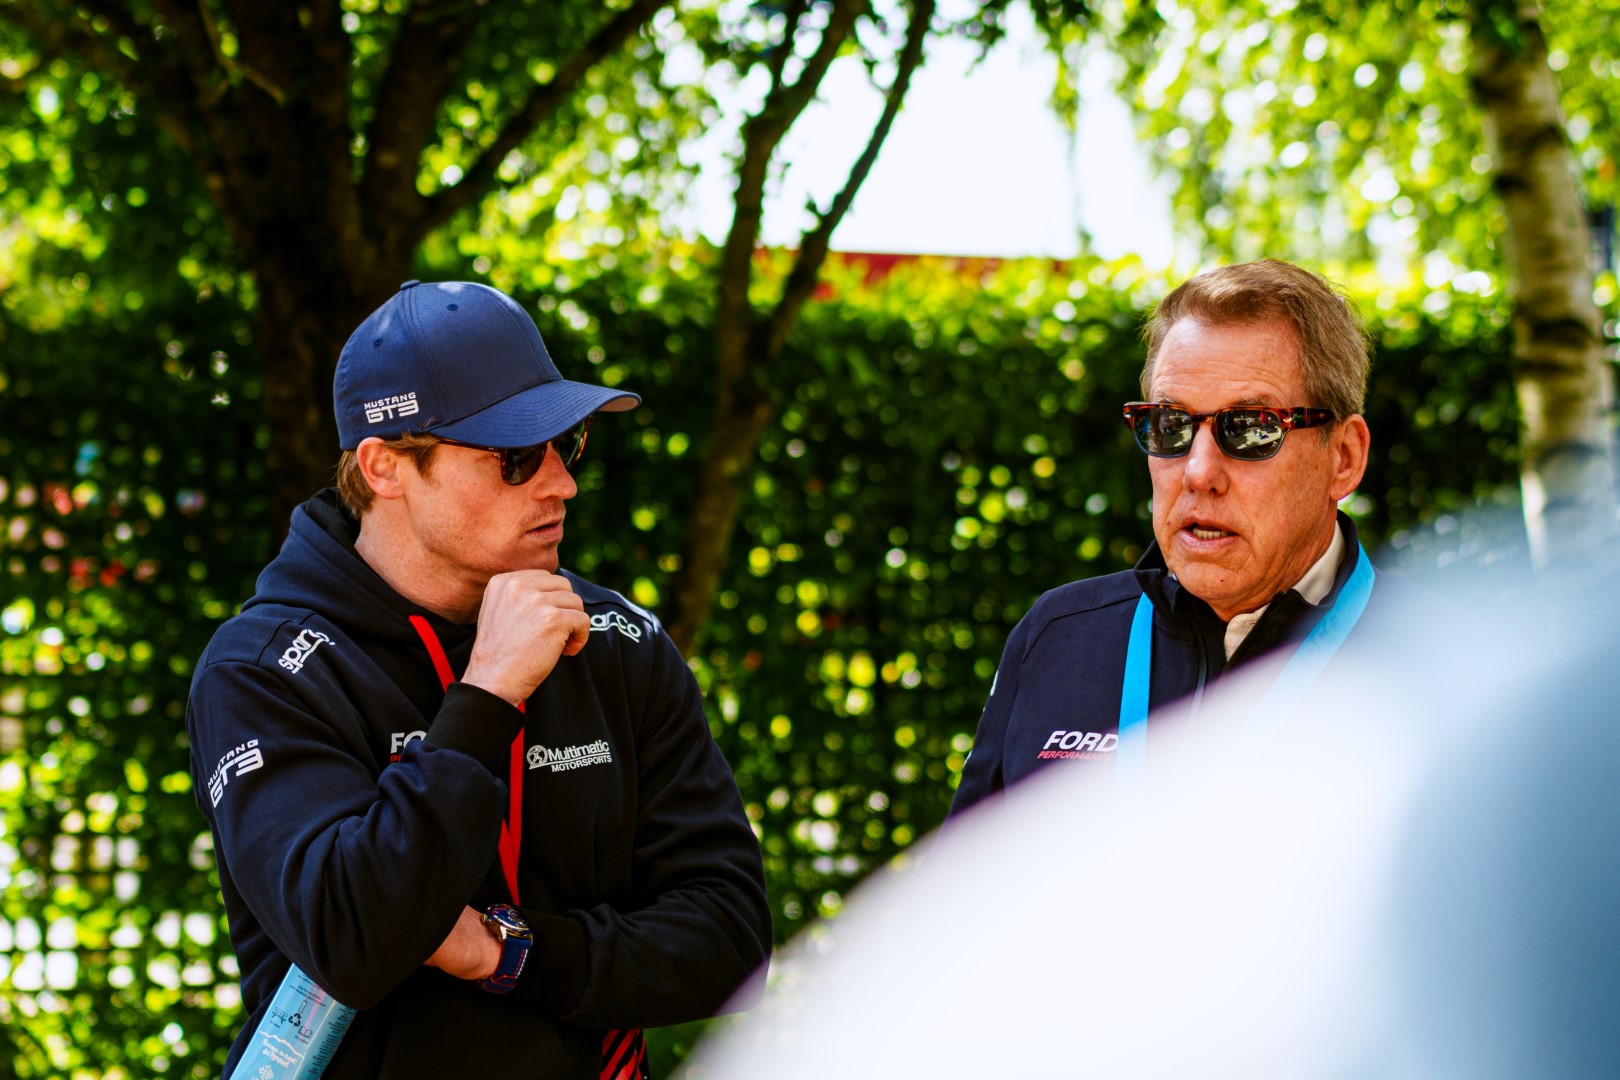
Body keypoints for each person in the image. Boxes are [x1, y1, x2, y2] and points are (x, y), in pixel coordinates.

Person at [187, 280, 771, 1078]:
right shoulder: (263, 673)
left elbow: (731, 944)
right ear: (385, 466)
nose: (560, 483)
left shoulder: (619, 642)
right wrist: (488, 691)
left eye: (567, 446)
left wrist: (506, 952)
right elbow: (354, 939)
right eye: (515, 458)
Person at [951, 258, 1436, 813]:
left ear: (1344, 458)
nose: (1198, 471)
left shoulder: (1444, 665)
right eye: (1171, 426)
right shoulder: (1057, 638)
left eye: (1252, 428)